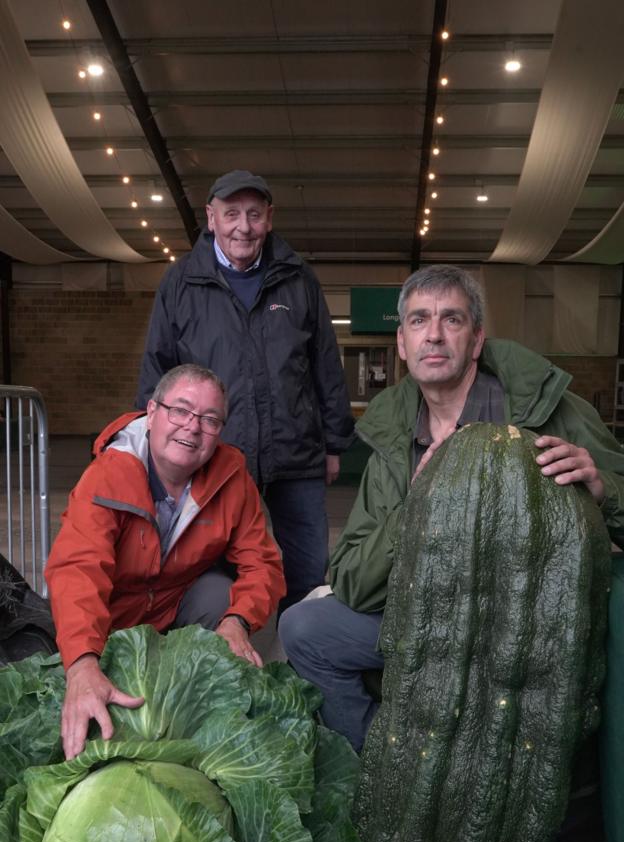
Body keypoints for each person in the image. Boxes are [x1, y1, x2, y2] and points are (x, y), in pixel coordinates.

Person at [279, 264, 624, 751]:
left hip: (529, 631)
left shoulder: (550, 410)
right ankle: (384, 759)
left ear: (476, 340)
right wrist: (413, 509)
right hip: (430, 624)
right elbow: (352, 579)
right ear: (402, 344)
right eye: (419, 320)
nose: (434, 335)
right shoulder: (393, 437)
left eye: (452, 319)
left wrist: (604, 490)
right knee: (304, 627)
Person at [136, 169, 354, 613]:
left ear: (269, 218)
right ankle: (226, 644)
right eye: (232, 213)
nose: (244, 227)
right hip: (215, 456)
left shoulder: (299, 279)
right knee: (211, 570)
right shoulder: (181, 283)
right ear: (211, 217)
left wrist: (334, 443)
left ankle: (298, 649)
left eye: (254, 214)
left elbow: (325, 365)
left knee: (308, 568)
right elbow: (158, 368)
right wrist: (149, 444)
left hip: (296, 454)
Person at [46, 364, 285, 760]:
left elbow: (263, 562)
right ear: (153, 412)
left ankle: (199, 716)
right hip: (113, 621)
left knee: (219, 594)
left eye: (210, 419)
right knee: (81, 692)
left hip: (173, 607)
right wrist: (82, 664)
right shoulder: (108, 475)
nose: (192, 427)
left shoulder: (231, 477)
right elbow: (77, 569)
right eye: (181, 410)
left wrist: (238, 621)